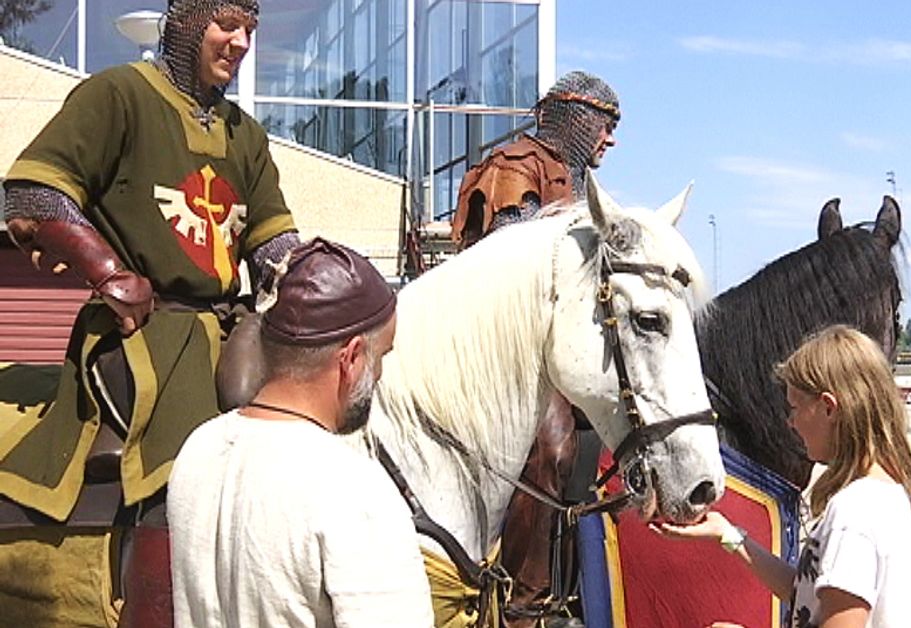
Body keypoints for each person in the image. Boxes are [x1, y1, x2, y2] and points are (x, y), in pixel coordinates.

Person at [0, 1, 299, 624]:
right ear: (188, 23)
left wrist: (326, 285)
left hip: (229, 331)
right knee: (184, 462)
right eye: (227, 24)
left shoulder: (246, 135)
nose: (241, 42)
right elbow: (35, 191)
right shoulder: (119, 96)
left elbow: (273, 246)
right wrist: (108, 271)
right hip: (141, 331)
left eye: (250, 29)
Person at [169, 237, 434, 627]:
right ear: (351, 358)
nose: (379, 374)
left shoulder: (198, 450)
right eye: (381, 356)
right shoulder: (353, 489)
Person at [450, 70, 621, 622]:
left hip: (559, 347)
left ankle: (587, 581)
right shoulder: (516, 166)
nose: (611, 138)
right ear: (576, 119)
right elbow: (514, 265)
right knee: (548, 447)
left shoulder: (580, 184)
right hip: (507, 352)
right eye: (605, 124)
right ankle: (523, 602)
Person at [654, 325, 911, 628]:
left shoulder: (852, 515)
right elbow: (808, 595)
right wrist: (728, 535)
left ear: (828, 408)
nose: (791, 422)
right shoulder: (892, 495)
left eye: (795, 408)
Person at [450, 70, 620, 250]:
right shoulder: (516, 166)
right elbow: (513, 252)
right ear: (580, 121)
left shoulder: (581, 180)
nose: (611, 140)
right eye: (607, 128)